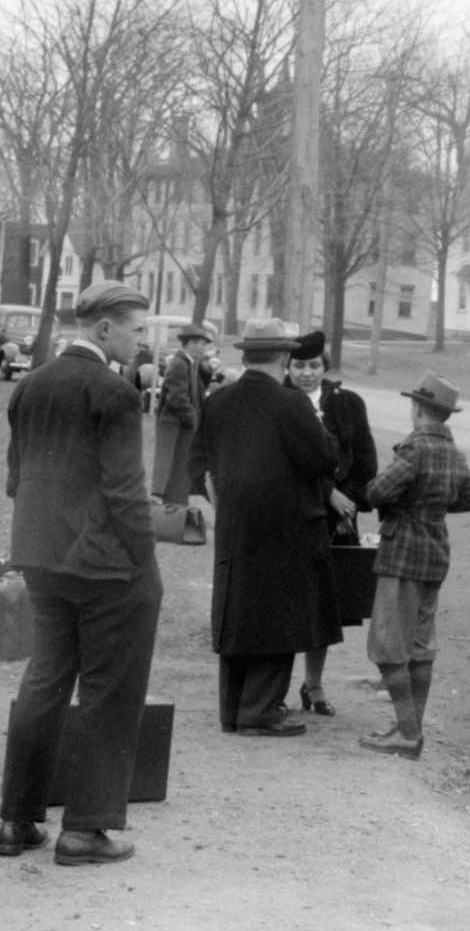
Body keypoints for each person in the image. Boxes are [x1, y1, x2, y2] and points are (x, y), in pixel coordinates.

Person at [0, 282, 161, 866]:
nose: (142, 343)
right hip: (103, 566)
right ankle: (85, 831)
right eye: (138, 331)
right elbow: (124, 493)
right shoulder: (113, 393)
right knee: (108, 690)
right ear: (104, 330)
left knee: (44, 680)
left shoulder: (30, 385)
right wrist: (144, 560)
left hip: (39, 556)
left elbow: (15, 477)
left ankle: (14, 822)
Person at [188, 317, 340, 738]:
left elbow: (199, 463)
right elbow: (324, 459)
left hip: (236, 526)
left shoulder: (219, 401)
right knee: (279, 617)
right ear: (283, 356)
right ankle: (262, 711)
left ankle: (234, 710)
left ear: (247, 355)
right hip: (286, 527)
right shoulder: (291, 404)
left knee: (237, 613)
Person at [360, 370, 470, 760]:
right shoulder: (453, 453)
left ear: (419, 409)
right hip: (435, 552)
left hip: (402, 552)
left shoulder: (414, 450)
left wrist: (401, 505)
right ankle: (413, 726)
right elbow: (467, 500)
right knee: (421, 645)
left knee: (389, 645)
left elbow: (376, 491)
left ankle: (407, 734)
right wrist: (432, 507)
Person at [284, 329, 378, 717]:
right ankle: (274, 686)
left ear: (325, 367)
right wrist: (326, 493)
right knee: (288, 602)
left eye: (314, 366)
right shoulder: (281, 402)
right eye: (299, 366)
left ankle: (315, 685)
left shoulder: (348, 404)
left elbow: (367, 462)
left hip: (336, 522)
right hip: (291, 517)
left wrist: (348, 502)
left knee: (325, 606)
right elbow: (282, 466)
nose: (307, 373)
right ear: (287, 368)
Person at [151, 323, 212, 506]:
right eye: (201, 343)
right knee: (169, 466)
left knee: (181, 469)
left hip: (183, 423)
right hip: (173, 423)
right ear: (190, 343)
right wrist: (194, 421)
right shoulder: (179, 364)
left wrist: (206, 368)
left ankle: (175, 505)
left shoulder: (191, 364)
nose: (203, 348)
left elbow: (199, 392)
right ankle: (164, 504)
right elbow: (177, 398)